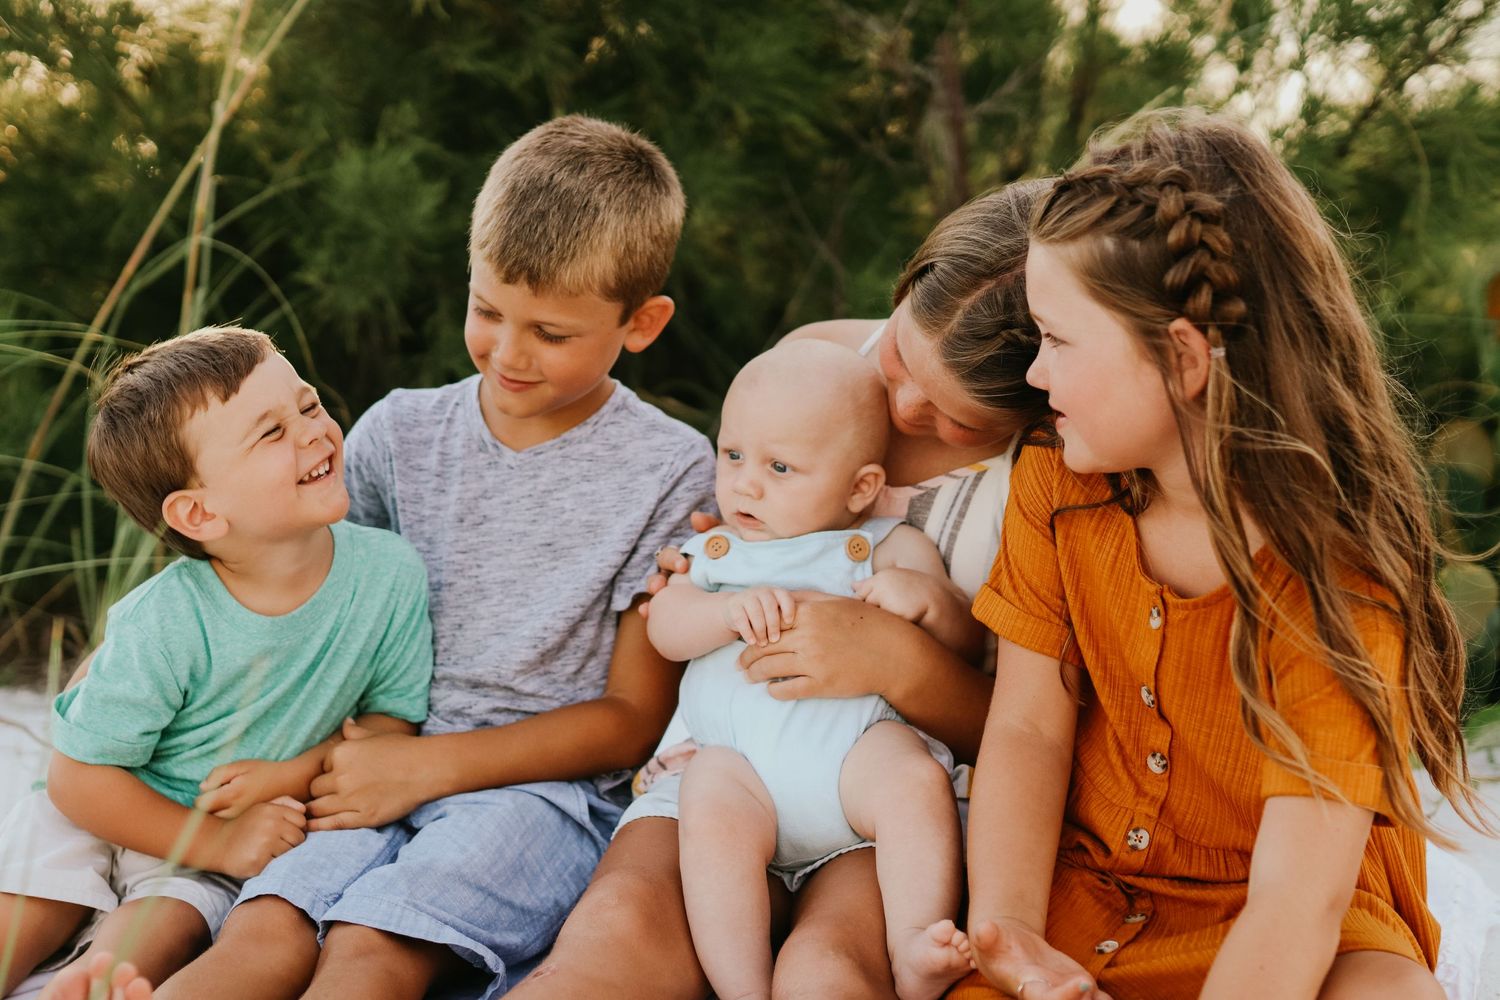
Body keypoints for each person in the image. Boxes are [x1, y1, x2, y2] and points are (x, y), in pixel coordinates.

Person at [149, 114, 716, 1000]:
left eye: (552, 332)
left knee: (370, 949)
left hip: (536, 798)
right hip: (363, 765)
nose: (508, 352)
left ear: (641, 324)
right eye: (487, 310)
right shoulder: (399, 434)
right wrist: (327, 764)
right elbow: (321, 611)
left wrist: (429, 769)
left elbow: (631, 716)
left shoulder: (672, 469)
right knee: (263, 929)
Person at [956, 111, 1493, 1000]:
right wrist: (1012, 934)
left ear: (1182, 357)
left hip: (1291, 924)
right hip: (1088, 896)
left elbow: (1297, 905)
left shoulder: (1335, 577)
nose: (1036, 376)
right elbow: (1025, 726)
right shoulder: (1057, 482)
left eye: (1056, 340)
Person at [511, 179, 1055, 1000]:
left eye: (960, 419)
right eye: (903, 358)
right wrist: (696, 598)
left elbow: (1027, 727)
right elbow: (697, 571)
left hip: (877, 788)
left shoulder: (1043, 479)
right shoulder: (812, 361)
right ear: (906, 290)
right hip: (722, 758)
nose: (904, 405)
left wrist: (898, 656)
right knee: (617, 925)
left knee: (828, 969)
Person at [0, 326, 433, 997]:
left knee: (164, 925)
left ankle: (96, 984)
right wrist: (216, 844)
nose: (313, 432)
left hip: (206, 846)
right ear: (200, 512)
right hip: (108, 804)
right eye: (271, 432)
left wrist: (293, 773)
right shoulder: (165, 619)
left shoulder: (389, 578)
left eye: (309, 406)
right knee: (30, 900)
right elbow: (76, 781)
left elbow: (391, 725)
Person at [646, 341, 982, 1000]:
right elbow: (665, 628)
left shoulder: (887, 543)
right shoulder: (717, 551)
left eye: (780, 467)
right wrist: (726, 612)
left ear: (861, 487)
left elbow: (964, 638)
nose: (745, 483)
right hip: (743, 772)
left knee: (913, 779)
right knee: (706, 795)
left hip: (854, 767)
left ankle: (915, 944)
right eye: (733, 454)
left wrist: (928, 604)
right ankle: (743, 984)